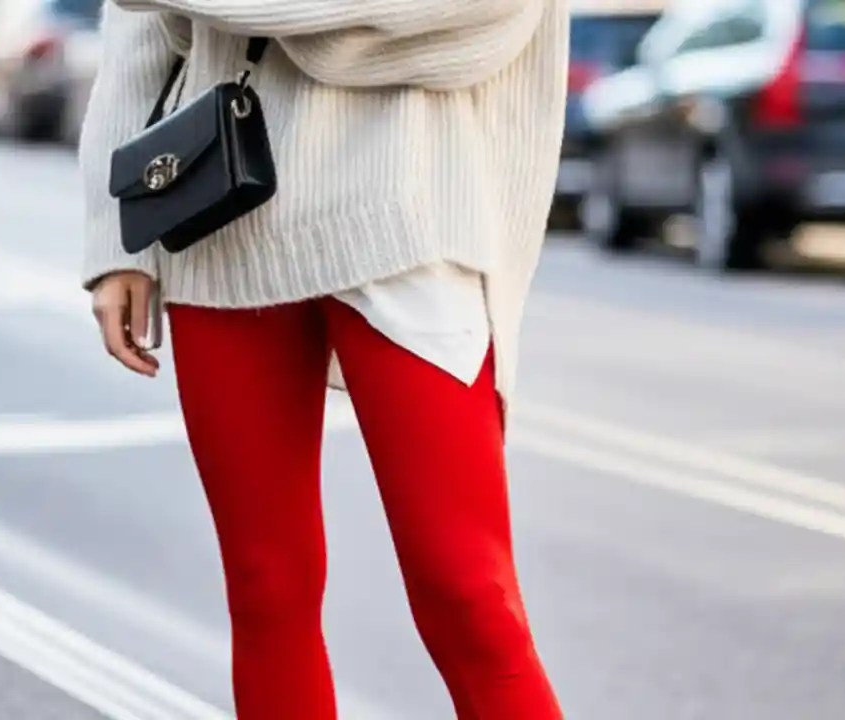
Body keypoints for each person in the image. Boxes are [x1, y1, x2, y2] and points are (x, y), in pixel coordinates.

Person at [80, 1, 569, 717]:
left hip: (415, 220)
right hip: (222, 208)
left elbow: (477, 22)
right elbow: (140, 28)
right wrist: (113, 234)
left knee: (468, 596)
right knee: (263, 586)